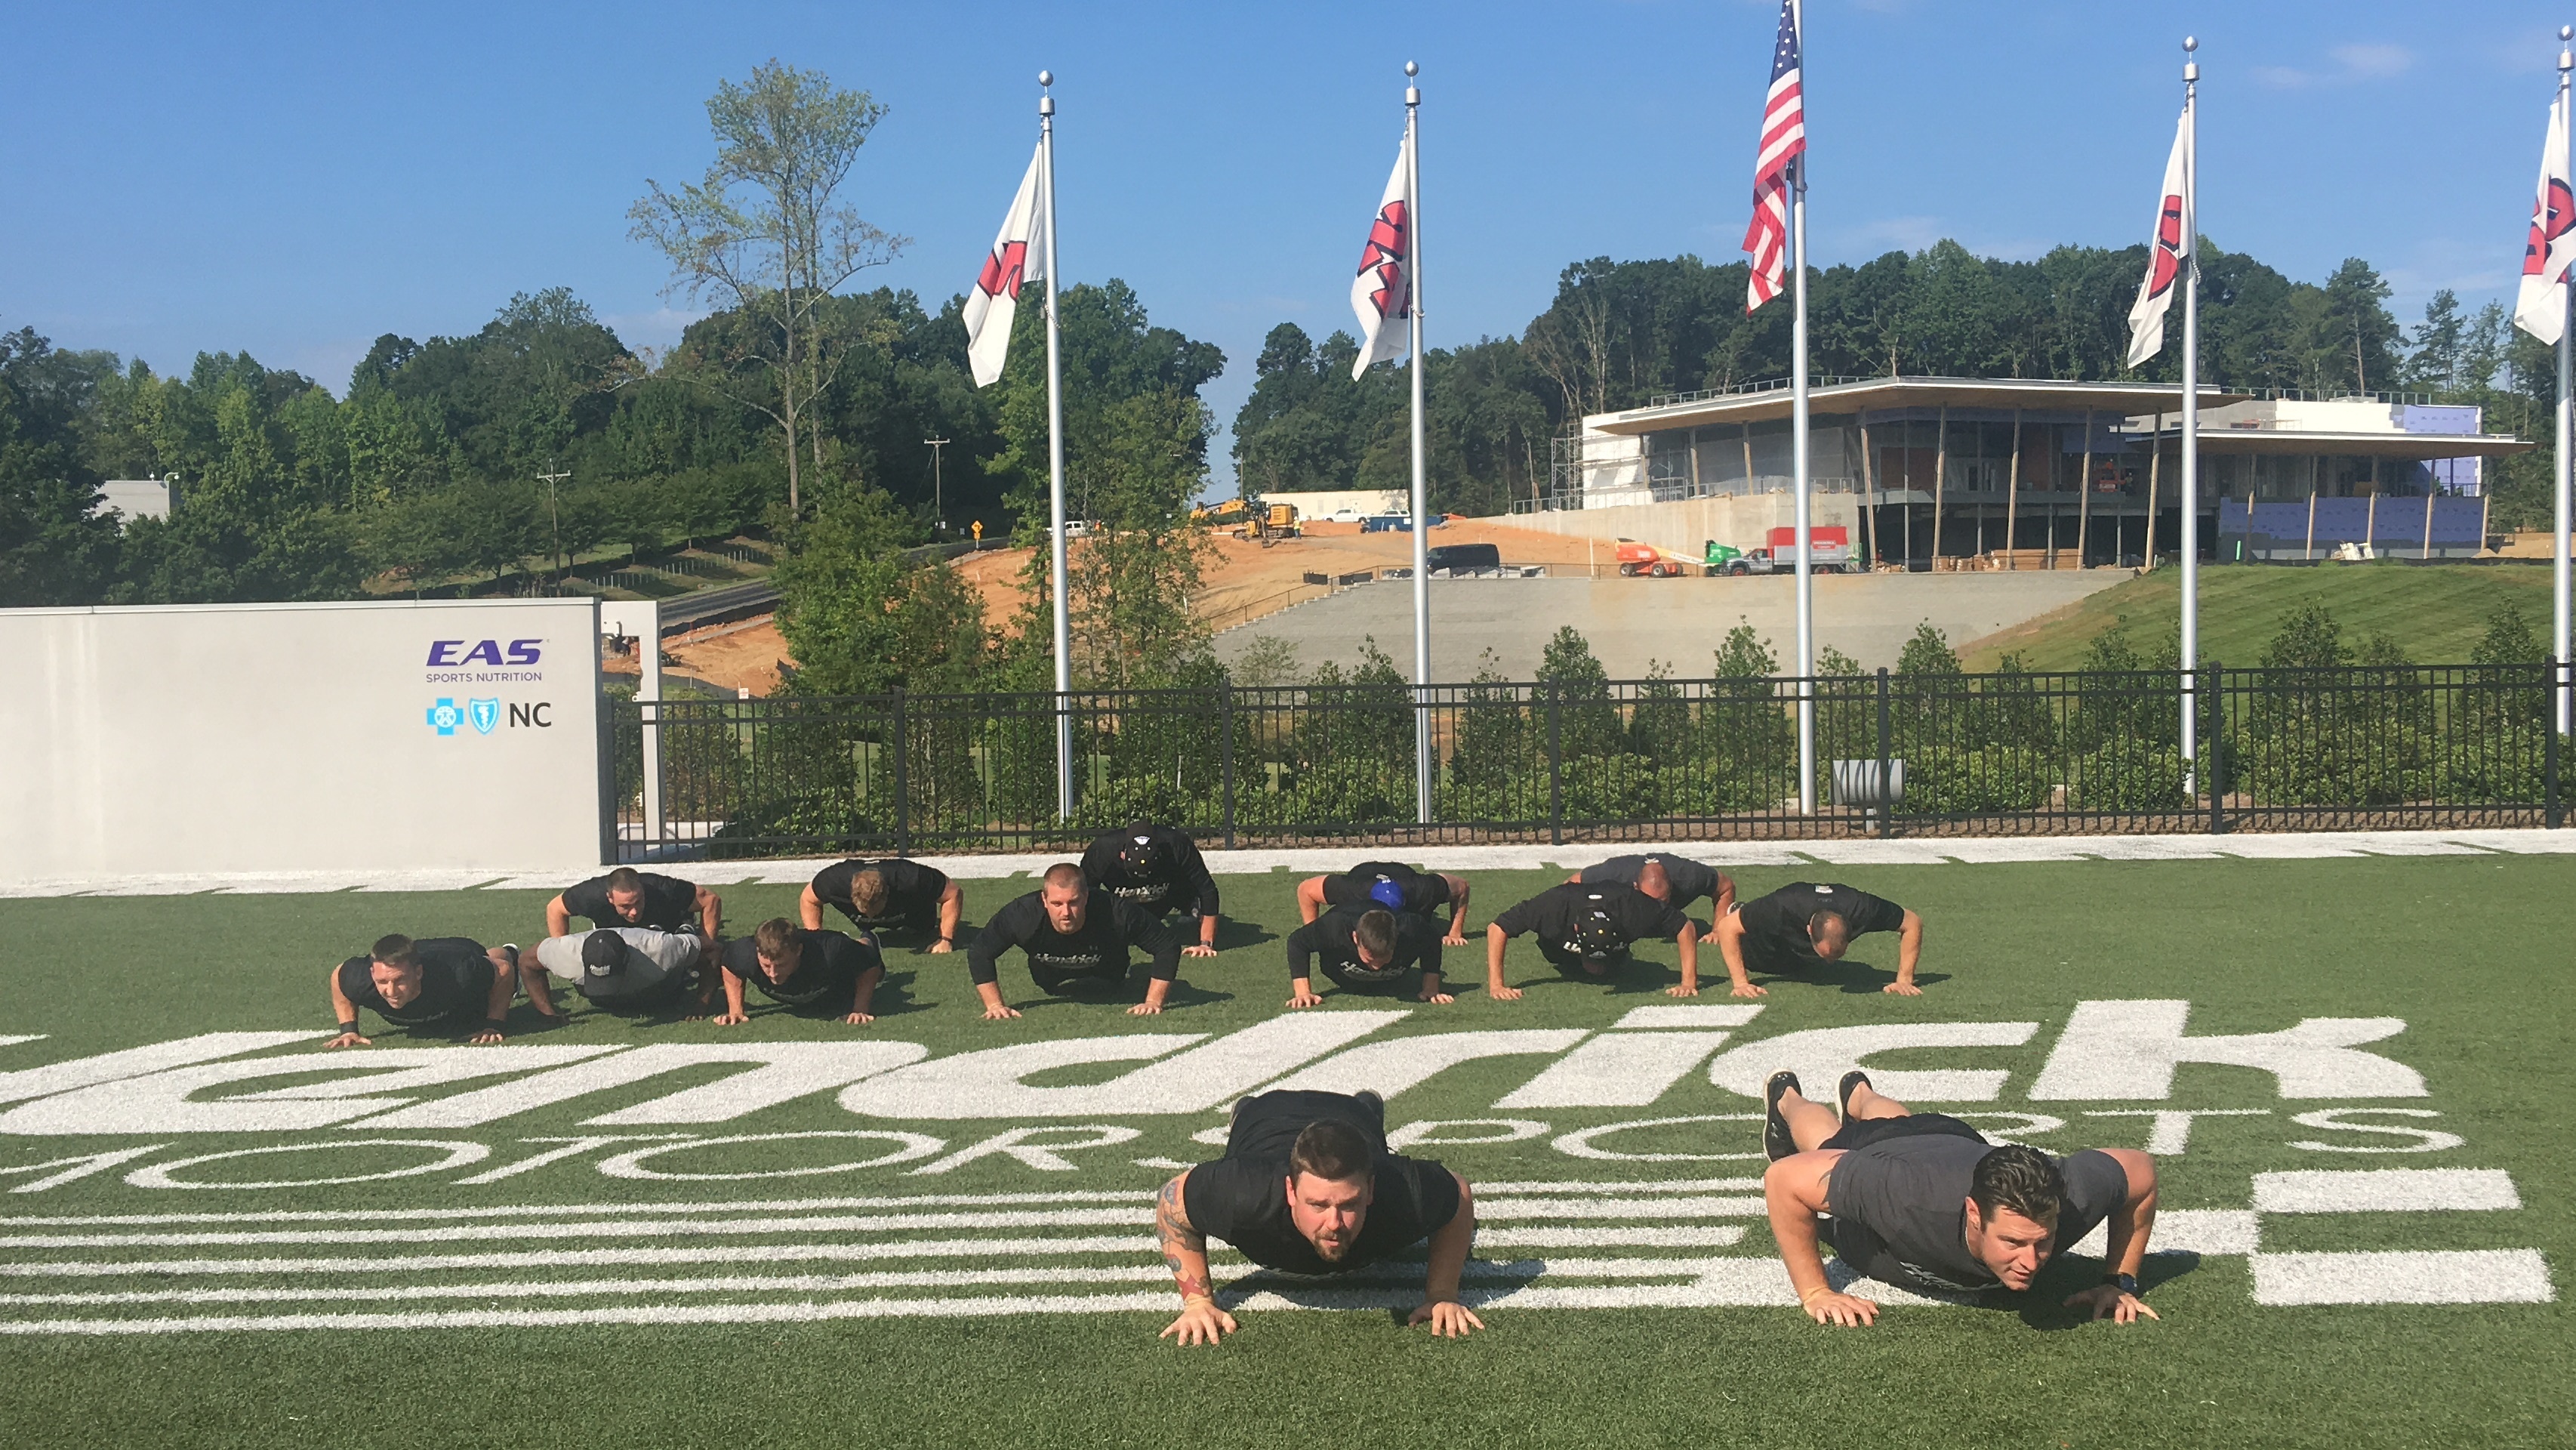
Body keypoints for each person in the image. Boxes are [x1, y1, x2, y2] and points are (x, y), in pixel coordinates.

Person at [1759, 1068, 2161, 1328]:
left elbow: (2140, 1171)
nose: (2029, 1261)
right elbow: (1784, 1180)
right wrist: (1817, 1291)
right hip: (1886, 1153)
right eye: (2013, 1242)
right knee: (1827, 1140)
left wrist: (2118, 1280)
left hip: (1953, 1139)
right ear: (1973, 1213)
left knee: (1900, 1121)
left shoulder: (2065, 1199)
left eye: (2042, 1243)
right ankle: (1786, 1097)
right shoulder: (1905, 1195)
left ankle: (1860, 1093)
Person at [1154, 1088, 1481, 1346]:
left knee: (1363, 1120)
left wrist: (1442, 1295)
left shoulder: (1402, 1191)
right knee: (1252, 1114)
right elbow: (1172, 1202)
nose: (1335, 1223)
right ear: (1291, 1191)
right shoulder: (1245, 1193)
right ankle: (1244, 1110)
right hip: (1265, 1116)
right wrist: (1198, 1303)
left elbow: (1460, 1194)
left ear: (1370, 1190)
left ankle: (1368, 1110)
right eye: (1318, 1205)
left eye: (1349, 1205)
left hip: (1351, 1119)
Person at [966, 862, 1184, 1018]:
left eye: (1073, 902)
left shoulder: (1116, 911)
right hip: (1049, 978)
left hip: (1109, 974)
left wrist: (1153, 1002)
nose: (1066, 912)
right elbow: (980, 951)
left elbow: (1166, 945)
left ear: (1087, 896)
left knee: (1113, 977)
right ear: (1044, 900)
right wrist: (994, 1005)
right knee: (1046, 980)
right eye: (1057, 904)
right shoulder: (1021, 914)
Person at [1484, 881, 1701, 1000]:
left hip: (1617, 948)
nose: (1596, 969)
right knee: (1566, 962)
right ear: (1576, 929)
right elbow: (1497, 928)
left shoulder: (1634, 908)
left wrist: (1688, 982)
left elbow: (1685, 926)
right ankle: (1572, 958)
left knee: (1610, 972)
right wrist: (1497, 985)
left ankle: (1616, 959)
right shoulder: (1553, 907)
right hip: (1559, 950)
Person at [1712, 881, 1925, 998]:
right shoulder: (1782, 906)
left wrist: (1904, 980)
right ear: (1808, 930)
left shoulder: (1863, 908)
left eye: (1838, 955)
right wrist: (1740, 983)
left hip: (1800, 949)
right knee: (1768, 961)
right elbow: (1726, 928)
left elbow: (1912, 923)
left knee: (1802, 966)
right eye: (1826, 954)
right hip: (1764, 945)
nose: (1831, 961)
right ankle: (1742, 911)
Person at [325, 935, 542, 1047]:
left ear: (418, 973)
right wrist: (348, 1029)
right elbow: (338, 976)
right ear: (372, 973)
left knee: (495, 961)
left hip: (456, 951)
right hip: (424, 954)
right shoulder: (359, 979)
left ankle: (509, 951)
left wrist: (493, 1025)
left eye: (400, 980)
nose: (390, 991)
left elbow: (502, 971)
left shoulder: (460, 972)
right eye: (382, 981)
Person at [1080, 824, 1222, 958]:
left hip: (1168, 887)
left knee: (1189, 893)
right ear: (1122, 855)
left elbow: (1207, 890)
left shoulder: (1177, 845)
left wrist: (1206, 944)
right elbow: (1083, 893)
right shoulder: (1102, 850)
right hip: (1123, 900)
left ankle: (1189, 905)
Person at [713, 918, 885, 1025]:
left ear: (798, 951)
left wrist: (860, 1009)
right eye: (766, 966)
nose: (773, 974)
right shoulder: (743, 953)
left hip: (837, 975)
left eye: (781, 965)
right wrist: (736, 1011)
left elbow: (870, 965)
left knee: (862, 951)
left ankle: (866, 939)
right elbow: (730, 966)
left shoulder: (832, 951)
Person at [1283, 905, 1450, 1007]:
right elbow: (1297, 942)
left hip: (1393, 983)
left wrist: (1431, 987)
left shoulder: (1411, 928)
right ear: (1355, 938)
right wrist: (1303, 993)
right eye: (1370, 959)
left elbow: (1432, 940)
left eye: (1384, 958)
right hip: (1340, 976)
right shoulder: (1334, 928)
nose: (1376, 967)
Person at [530, 925, 707, 1017]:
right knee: (603, 999)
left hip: (659, 988)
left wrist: (702, 1003)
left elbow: (713, 951)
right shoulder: (566, 952)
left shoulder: (660, 949)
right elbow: (526, 963)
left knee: (665, 991)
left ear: (627, 960)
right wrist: (547, 1011)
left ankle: (682, 930)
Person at [799, 858, 963, 953]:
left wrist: (945, 939)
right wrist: (817, 939)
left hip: (918, 919)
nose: (870, 914)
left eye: (874, 907)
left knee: (922, 927)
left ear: (886, 894)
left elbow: (953, 893)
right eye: (864, 908)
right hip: (873, 924)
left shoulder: (910, 878)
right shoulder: (834, 880)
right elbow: (809, 899)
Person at [1295, 861, 1473, 946]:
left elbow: (1462, 887)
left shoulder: (1423, 890)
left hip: (1403, 873)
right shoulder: (1352, 891)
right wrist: (1314, 933)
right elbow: (1306, 890)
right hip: (1364, 871)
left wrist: (1455, 931)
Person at [546, 866, 720, 942]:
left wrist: (707, 946)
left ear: (643, 891)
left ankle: (686, 924)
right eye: (625, 906)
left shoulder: (662, 888)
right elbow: (555, 909)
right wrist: (561, 950)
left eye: (638, 902)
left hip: (664, 931)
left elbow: (710, 900)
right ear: (610, 898)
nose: (634, 912)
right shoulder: (591, 895)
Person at [1569, 853, 1734, 916]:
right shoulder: (1614, 874)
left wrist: (1718, 929)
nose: (1654, 908)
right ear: (1635, 887)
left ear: (1672, 888)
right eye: (1648, 901)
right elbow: (1571, 885)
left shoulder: (1689, 876)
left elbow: (1726, 887)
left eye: (1662, 901)